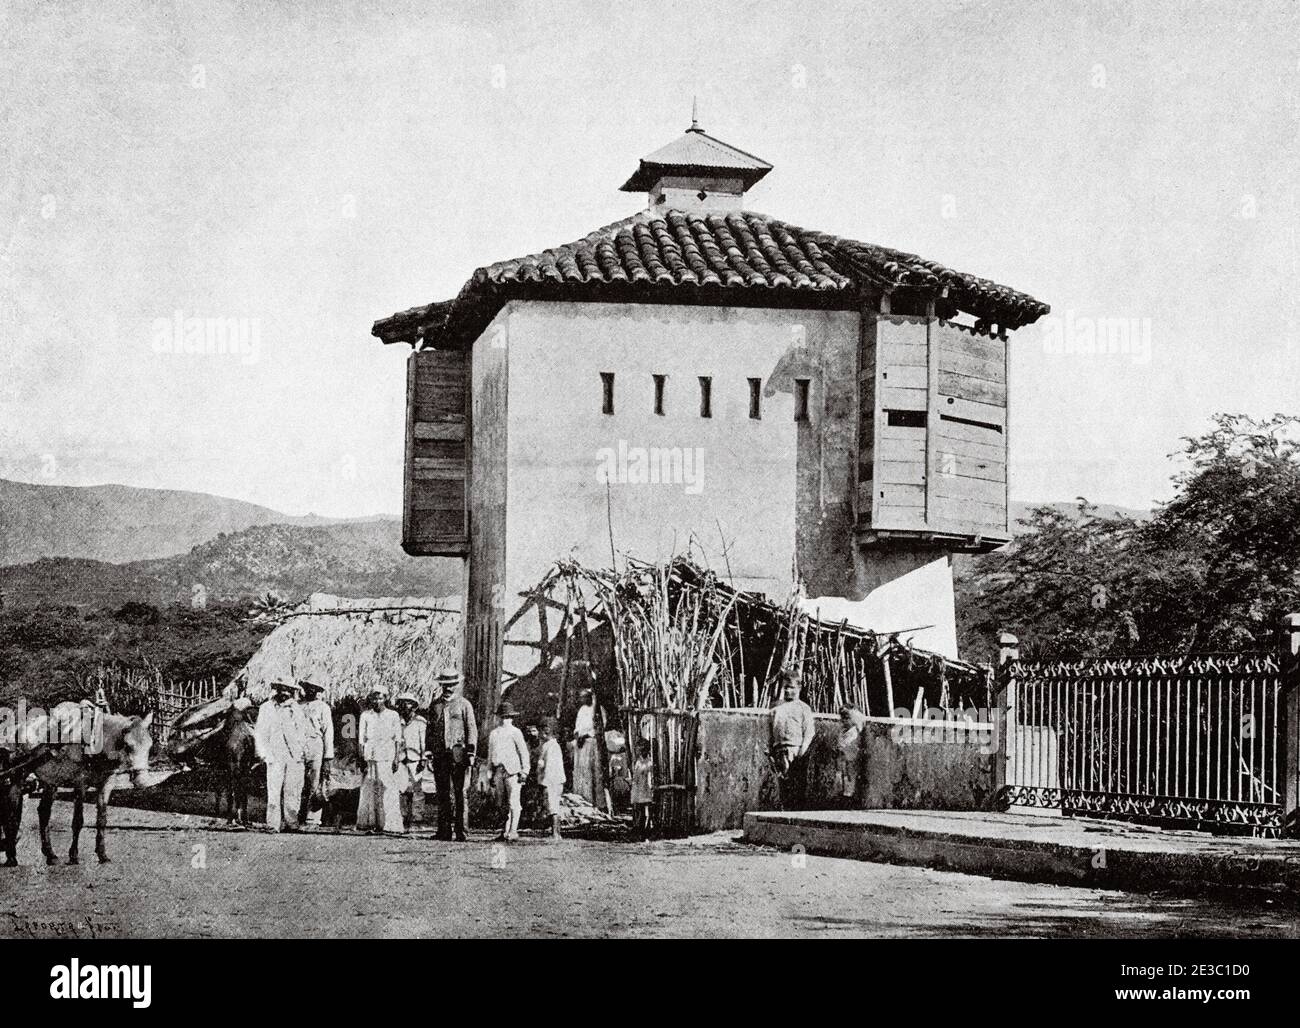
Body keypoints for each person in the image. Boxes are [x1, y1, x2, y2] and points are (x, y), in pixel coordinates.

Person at [428, 669, 477, 842]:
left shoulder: (464, 705)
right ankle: (444, 831)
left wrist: (471, 753)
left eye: (452, 685)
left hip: (459, 754)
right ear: (441, 685)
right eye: (446, 685)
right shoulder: (434, 705)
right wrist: (429, 754)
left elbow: (471, 729)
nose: (449, 688)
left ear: (456, 685)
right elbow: (430, 732)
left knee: (460, 792)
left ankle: (462, 831)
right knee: (442, 792)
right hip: (441, 755)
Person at [254, 680, 307, 833]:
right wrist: (264, 754)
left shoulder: (296, 708)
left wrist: (301, 750)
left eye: (287, 690)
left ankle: (292, 822)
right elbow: (260, 733)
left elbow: (302, 731)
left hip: (294, 755)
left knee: (293, 790)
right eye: (281, 689)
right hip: (275, 754)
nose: (284, 693)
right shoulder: (266, 708)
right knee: (274, 790)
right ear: (276, 690)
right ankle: (273, 823)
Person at [357, 687, 403, 834]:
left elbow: (397, 739)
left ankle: (390, 824)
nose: (377, 701)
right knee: (370, 788)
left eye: (380, 698)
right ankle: (370, 823)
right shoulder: (366, 715)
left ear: (386, 699)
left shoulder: (393, 715)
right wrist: (361, 756)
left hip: (387, 756)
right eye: (375, 698)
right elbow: (361, 739)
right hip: (370, 756)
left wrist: (396, 758)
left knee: (388, 789)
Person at [769, 668, 816, 811]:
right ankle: (785, 814)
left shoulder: (803, 708)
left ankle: (796, 815)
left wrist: (802, 751)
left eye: (792, 688)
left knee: (797, 784)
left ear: (799, 688)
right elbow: (771, 729)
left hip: (796, 750)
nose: (789, 691)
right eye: (786, 688)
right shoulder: (776, 707)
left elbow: (809, 732)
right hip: (779, 750)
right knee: (783, 784)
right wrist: (770, 749)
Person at [487, 700, 530, 841]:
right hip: (498, 770)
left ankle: (513, 831)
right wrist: (489, 773)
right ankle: (503, 831)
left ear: (512, 718)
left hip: (513, 771)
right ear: (499, 717)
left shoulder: (516, 732)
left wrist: (525, 771)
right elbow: (490, 754)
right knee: (500, 802)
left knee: (513, 802)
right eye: (503, 717)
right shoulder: (494, 733)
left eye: (508, 717)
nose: (506, 720)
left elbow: (524, 752)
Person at [297, 680, 334, 827]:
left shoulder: (323, 707)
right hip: (298, 746)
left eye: (313, 688)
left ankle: (312, 818)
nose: (310, 691)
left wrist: (328, 756)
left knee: (314, 782)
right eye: (307, 688)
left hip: (315, 745)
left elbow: (328, 732)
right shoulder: (297, 705)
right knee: (297, 782)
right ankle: (296, 815)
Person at [394, 693, 428, 832]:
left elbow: (423, 741)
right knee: (401, 789)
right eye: (402, 703)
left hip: (415, 758)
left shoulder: (420, 722)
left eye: (407, 703)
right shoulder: (398, 722)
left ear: (414, 706)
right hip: (402, 758)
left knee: (417, 789)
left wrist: (423, 758)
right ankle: (403, 816)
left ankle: (417, 817)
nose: (404, 706)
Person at [535, 717, 565, 841]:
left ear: (545, 732)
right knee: (555, 805)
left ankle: (555, 833)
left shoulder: (546, 746)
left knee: (552, 806)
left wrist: (539, 773)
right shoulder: (556, 745)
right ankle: (557, 832)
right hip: (558, 780)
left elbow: (542, 764)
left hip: (549, 779)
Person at [570, 688, 600, 806]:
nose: (582, 699)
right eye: (581, 697)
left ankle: (592, 800)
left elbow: (598, 728)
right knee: (580, 770)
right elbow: (577, 726)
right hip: (581, 743)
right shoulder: (582, 710)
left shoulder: (597, 709)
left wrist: (586, 735)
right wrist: (577, 736)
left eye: (585, 697)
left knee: (591, 771)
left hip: (591, 743)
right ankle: (582, 798)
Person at [836, 706, 866, 806]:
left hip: (851, 758)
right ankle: (844, 795)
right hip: (843, 758)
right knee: (843, 776)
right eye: (843, 718)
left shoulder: (855, 732)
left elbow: (850, 745)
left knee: (850, 777)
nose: (844, 721)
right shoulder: (842, 731)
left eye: (847, 718)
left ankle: (849, 797)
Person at [630, 739, 655, 840]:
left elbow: (650, 777)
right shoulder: (638, 762)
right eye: (640, 750)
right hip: (637, 789)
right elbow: (635, 777)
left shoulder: (649, 763)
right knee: (638, 810)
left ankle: (646, 831)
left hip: (645, 788)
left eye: (643, 750)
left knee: (646, 811)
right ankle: (638, 830)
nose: (641, 752)